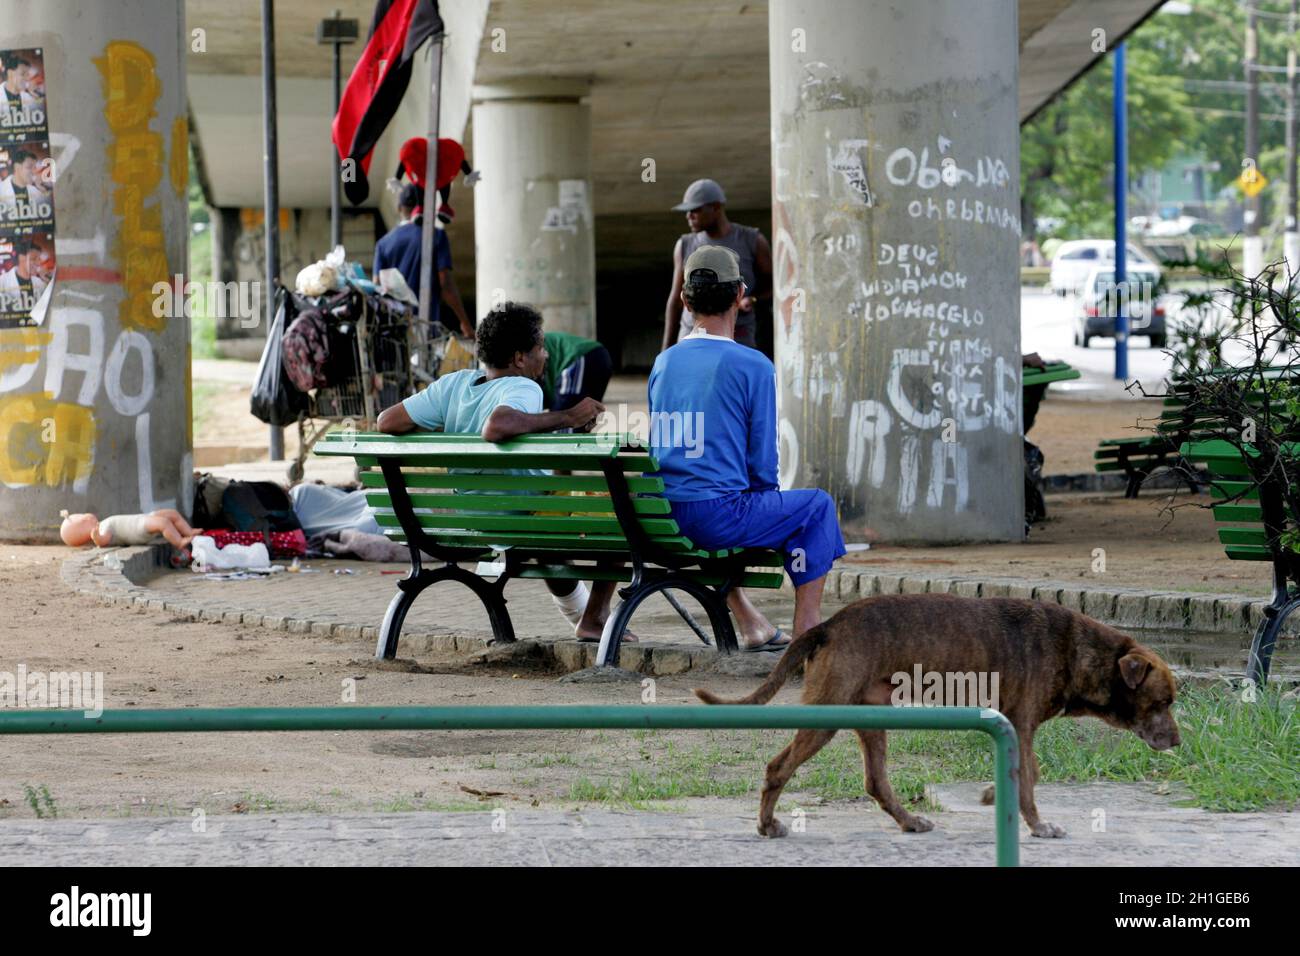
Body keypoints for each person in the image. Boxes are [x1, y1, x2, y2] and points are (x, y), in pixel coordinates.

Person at [376, 302, 629, 641]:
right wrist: (568, 417)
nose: (546, 355)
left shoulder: (451, 386)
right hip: (521, 519)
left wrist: (448, 431)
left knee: (553, 524)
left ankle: (584, 621)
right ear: (519, 358)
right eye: (540, 347)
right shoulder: (523, 387)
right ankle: (595, 617)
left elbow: (386, 421)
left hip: (473, 520)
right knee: (617, 513)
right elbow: (498, 425)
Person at [650, 246, 846, 646]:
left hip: (658, 516)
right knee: (816, 507)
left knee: (762, 507)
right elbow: (761, 463)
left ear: (685, 300)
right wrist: (767, 513)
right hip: (716, 517)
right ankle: (807, 631)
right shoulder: (753, 365)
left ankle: (753, 624)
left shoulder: (663, 362)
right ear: (741, 295)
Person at [663, 178, 772, 353]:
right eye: (687, 211)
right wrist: (665, 353)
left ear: (716, 207)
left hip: (738, 334)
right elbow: (675, 300)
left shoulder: (752, 240)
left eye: (695, 210)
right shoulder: (684, 245)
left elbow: (774, 286)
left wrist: (752, 299)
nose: (688, 216)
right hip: (692, 333)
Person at [373, 182, 473, 338]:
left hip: (395, 331)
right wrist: (465, 323)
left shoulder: (383, 244)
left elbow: (377, 287)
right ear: (423, 206)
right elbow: (445, 284)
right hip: (425, 327)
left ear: (400, 208)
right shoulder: (436, 235)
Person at [541, 331, 612, 411]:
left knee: (562, 414)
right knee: (585, 416)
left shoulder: (532, 343)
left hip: (580, 356)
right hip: (598, 355)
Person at [0, 148, 50, 215]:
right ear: (17, 167)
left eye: (34, 168)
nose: (34, 172)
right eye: (29, 167)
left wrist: (43, 191)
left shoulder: (36, 191)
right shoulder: (2, 189)